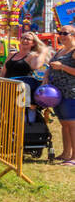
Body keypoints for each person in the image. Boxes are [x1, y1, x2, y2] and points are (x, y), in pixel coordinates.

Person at [43, 26, 75, 163]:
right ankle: (66, 153)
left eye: (65, 33)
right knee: (64, 124)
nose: (61, 35)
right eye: (59, 33)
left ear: (73, 35)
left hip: (70, 93)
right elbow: (49, 69)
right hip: (57, 94)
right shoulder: (60, 51)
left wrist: (62, 67)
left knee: (72, 124)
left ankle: (74, 157)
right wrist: (45, 79)